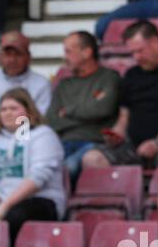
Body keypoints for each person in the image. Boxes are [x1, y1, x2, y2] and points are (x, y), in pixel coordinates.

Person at [84, 20, 158, 169]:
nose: (136, 57)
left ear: (155, 42)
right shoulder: (132, 74)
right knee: (92, 158)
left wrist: (157, 141)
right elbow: (124, 117)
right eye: (132, 52)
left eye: (140, 51)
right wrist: (116, 134)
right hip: (133, 145)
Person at [0, 88, 66, 240]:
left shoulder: (44, 135)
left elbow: (37, 178)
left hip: (40, 199)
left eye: (14, 108)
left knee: (15, 216)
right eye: (3, 109)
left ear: (28, 111)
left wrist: (5, 207)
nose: (7, 113)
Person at [46, 31, 121, 179]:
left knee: (66, 170)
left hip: (95, 144)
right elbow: (52, 120)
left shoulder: (109, 77)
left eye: (68, 51)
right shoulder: (63, 85)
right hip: (62, 145)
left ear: (87, 52)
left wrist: (68, 111)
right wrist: (88, 114)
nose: (64, 57)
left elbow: (103, 109)